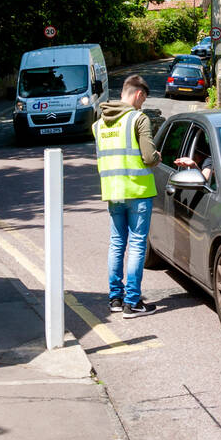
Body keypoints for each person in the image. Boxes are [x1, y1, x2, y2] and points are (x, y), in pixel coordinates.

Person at [92, 74, 161, 316]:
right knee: (137, 244)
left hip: (113, 192)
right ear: (138, 94)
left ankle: (115, 299)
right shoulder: (137, 118)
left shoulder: (99, 123)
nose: (142, 105)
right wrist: (159, 156)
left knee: (117, 243)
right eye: (143, 100)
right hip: (137, 190)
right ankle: (132, 302)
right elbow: (149, 157)